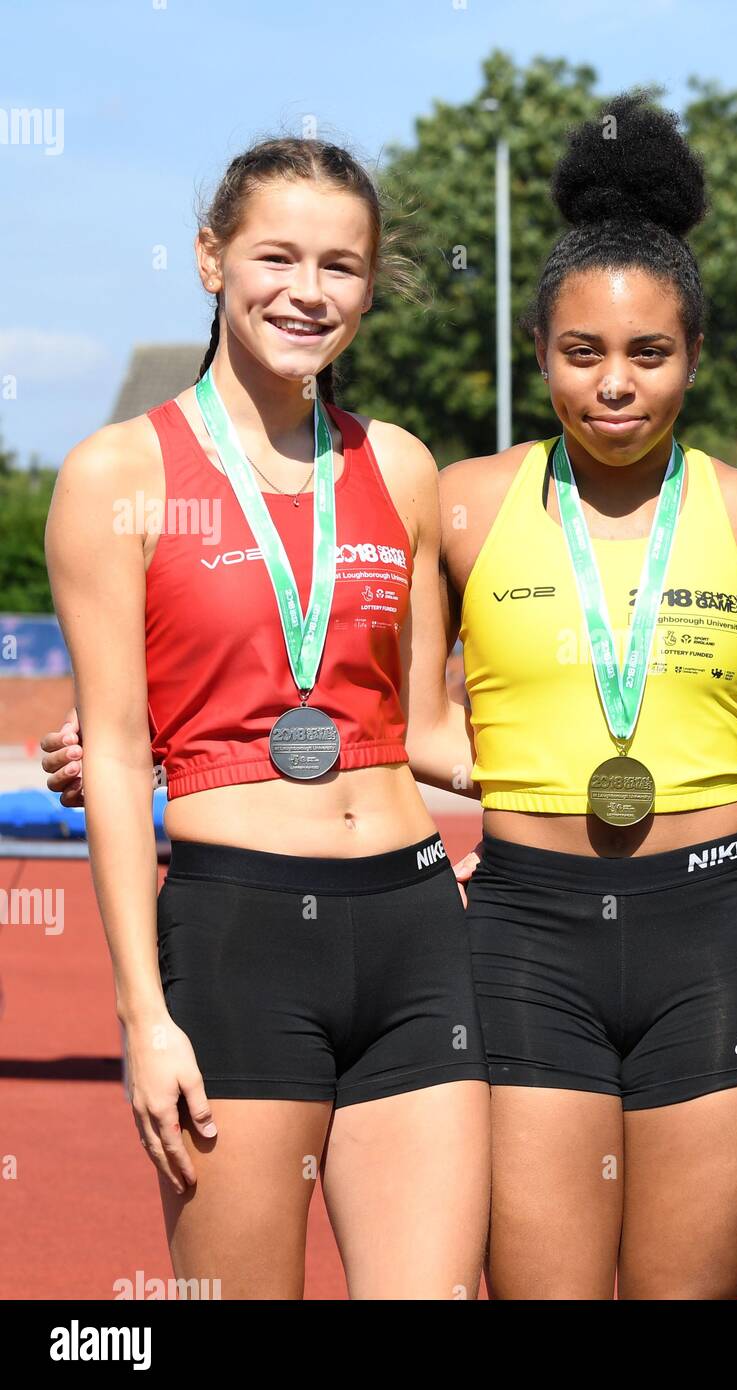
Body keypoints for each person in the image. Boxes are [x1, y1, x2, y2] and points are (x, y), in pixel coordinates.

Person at [43, 105, 737, 1302]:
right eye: (581, 351)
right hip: (519, 935)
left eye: (650, 352)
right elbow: (366, 689)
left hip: (714, 939)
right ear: (538, 351)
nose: (614, 382)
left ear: (695, 355)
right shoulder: (458, 499)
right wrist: (138, 741)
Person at [43, 136, 490, 1300]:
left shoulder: (400, 467)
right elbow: (116, 754)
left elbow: (429, 731)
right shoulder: (116, 475)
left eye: (341, 265)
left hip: (415, 931)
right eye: (277, 257)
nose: (308, 291)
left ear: (370, 285)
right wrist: (144, 1018)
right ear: (211, 260)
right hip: (237, 939)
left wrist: (592, 788)